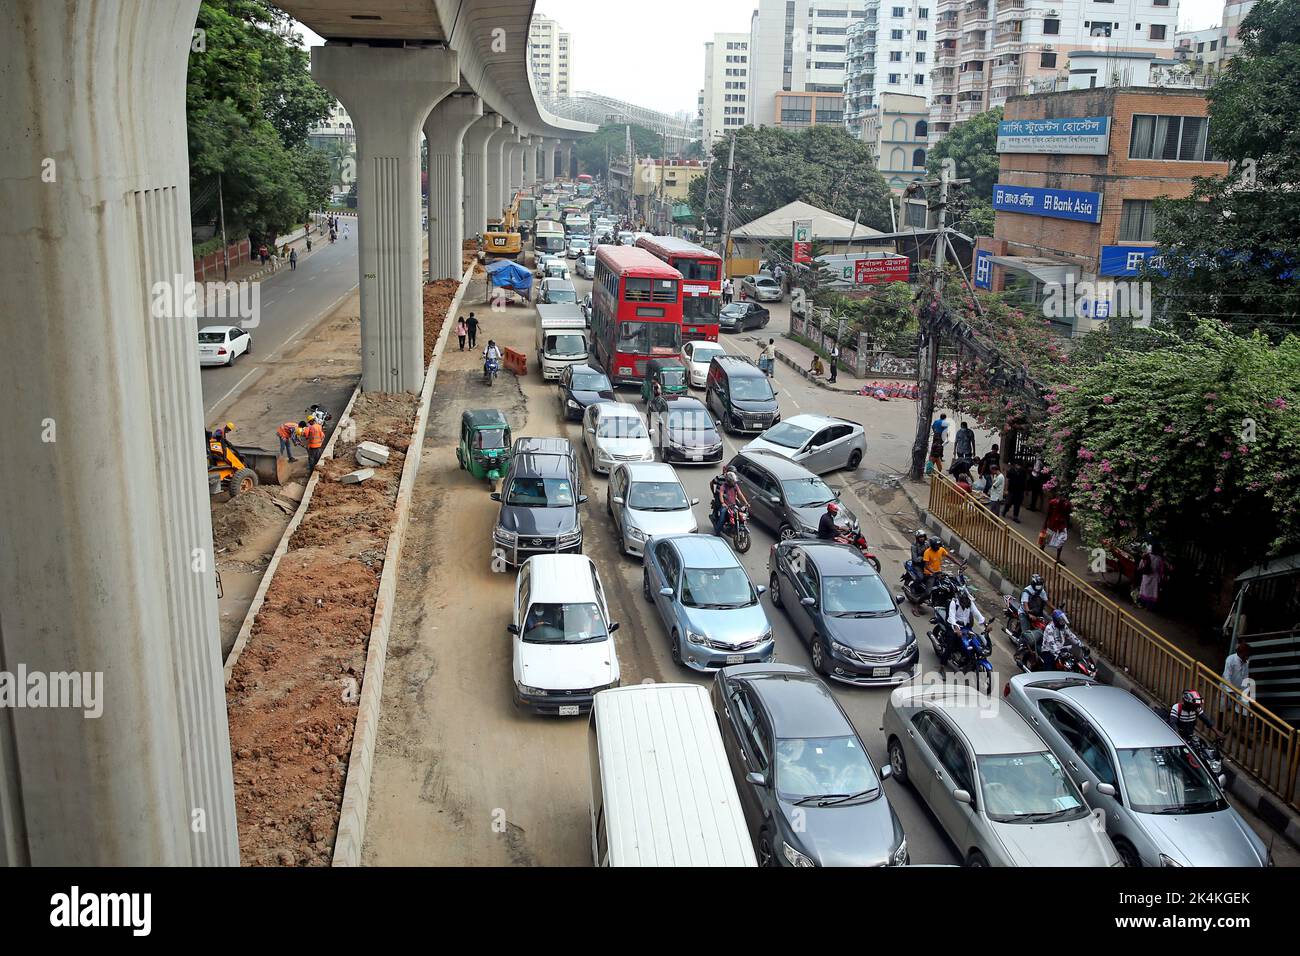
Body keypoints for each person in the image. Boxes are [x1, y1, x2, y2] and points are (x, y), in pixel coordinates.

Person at [945, 588, 986, 662]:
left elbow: (976, 613)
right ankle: (942, 666)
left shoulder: (970, 603)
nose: (966, 603)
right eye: (964, 601)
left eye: (967, 600)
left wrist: (984, 623)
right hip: (953, 626)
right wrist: (957, 629)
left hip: (965, 627)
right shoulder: (953, 603)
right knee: (950, 646)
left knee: (975, 641)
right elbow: (951, 617)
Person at [711, 468, 749, 537]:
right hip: (726, 506)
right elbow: (721, 494)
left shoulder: (735, 485)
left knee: (741, 514)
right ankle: (717, 533)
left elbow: (740, 494)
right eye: (732, 481)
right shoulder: (723, 486)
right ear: (729, 481)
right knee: (722, 520)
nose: (734, 483)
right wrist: (723, 503)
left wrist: (746, 503)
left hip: (733, 505)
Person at [1041, 493, 1072, 562]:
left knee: (1062, 540)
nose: (1063, 498)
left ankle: (1058, 557)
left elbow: (1067, 516)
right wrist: (1045, 523)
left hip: (1061, 524)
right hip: (1052, 522)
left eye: (1064, 497)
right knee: (1048, 535)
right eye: (1061, 496)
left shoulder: (1067, 505)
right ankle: (1042, 546)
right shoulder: (1053, 502)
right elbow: (1049, 513)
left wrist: (1067, 525)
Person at [1135, 543, 1166, 610]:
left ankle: (1142, 604)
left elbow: (1141, 566)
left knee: (1144, 591)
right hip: (1155, 578)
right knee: (1153, 593)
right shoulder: (1160, 559)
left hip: (1146, 576)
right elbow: (1161, 571)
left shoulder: (1146, 556)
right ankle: (1149, 607)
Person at [1019, 573, 1050, 638]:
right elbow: (1025, 604)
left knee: (1046, 624)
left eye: (1040, 585)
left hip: (1037, 612)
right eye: (1038, 585)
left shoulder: (1041, 591)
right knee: (1026, 633)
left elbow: (1046, 602)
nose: (1039, 587)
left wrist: (1055, 610)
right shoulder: (1027, 591)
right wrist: (1029, 614)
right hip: (1025, 612)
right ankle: (1021, 645)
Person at [921, 535, 951, 601]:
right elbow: (926, 566)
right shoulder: (927, 552)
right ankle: (916, 606)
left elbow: (950, 557)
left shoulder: (941, 549)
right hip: (929, 574)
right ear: (932, 546)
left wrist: (960, 564)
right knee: (928, 593)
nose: (937, 547)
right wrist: (934, 573)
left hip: (938, 572)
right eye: (936, 546)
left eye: (938, 545)